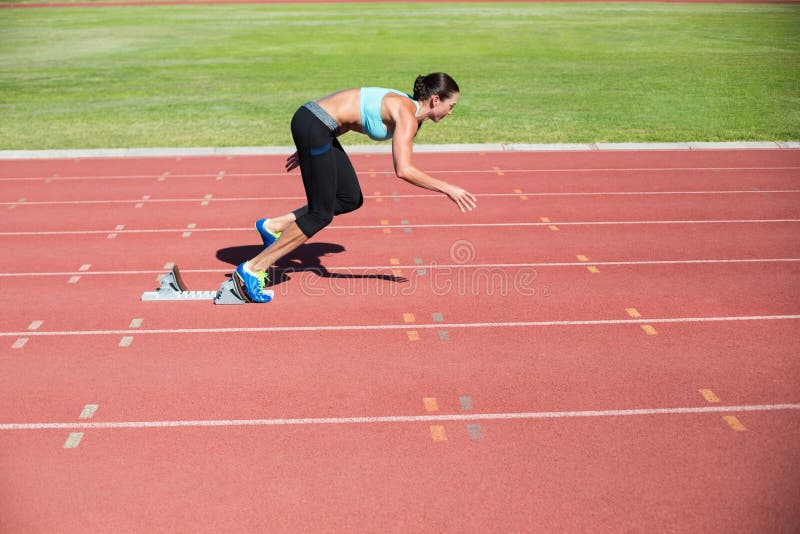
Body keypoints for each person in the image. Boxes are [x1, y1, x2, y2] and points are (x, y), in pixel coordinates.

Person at [233, 72, 477, 303]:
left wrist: (309, 143)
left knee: (349, 197)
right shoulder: (406, 114)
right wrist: (448, 188)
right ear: (435, 100)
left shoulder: (409, 112)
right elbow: (404, 170)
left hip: (317, 127)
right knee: (321, 215)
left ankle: (272, 226)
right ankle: (252, 269)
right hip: (314, 124)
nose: (451, 112)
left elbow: (350, 118)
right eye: (451, 105)